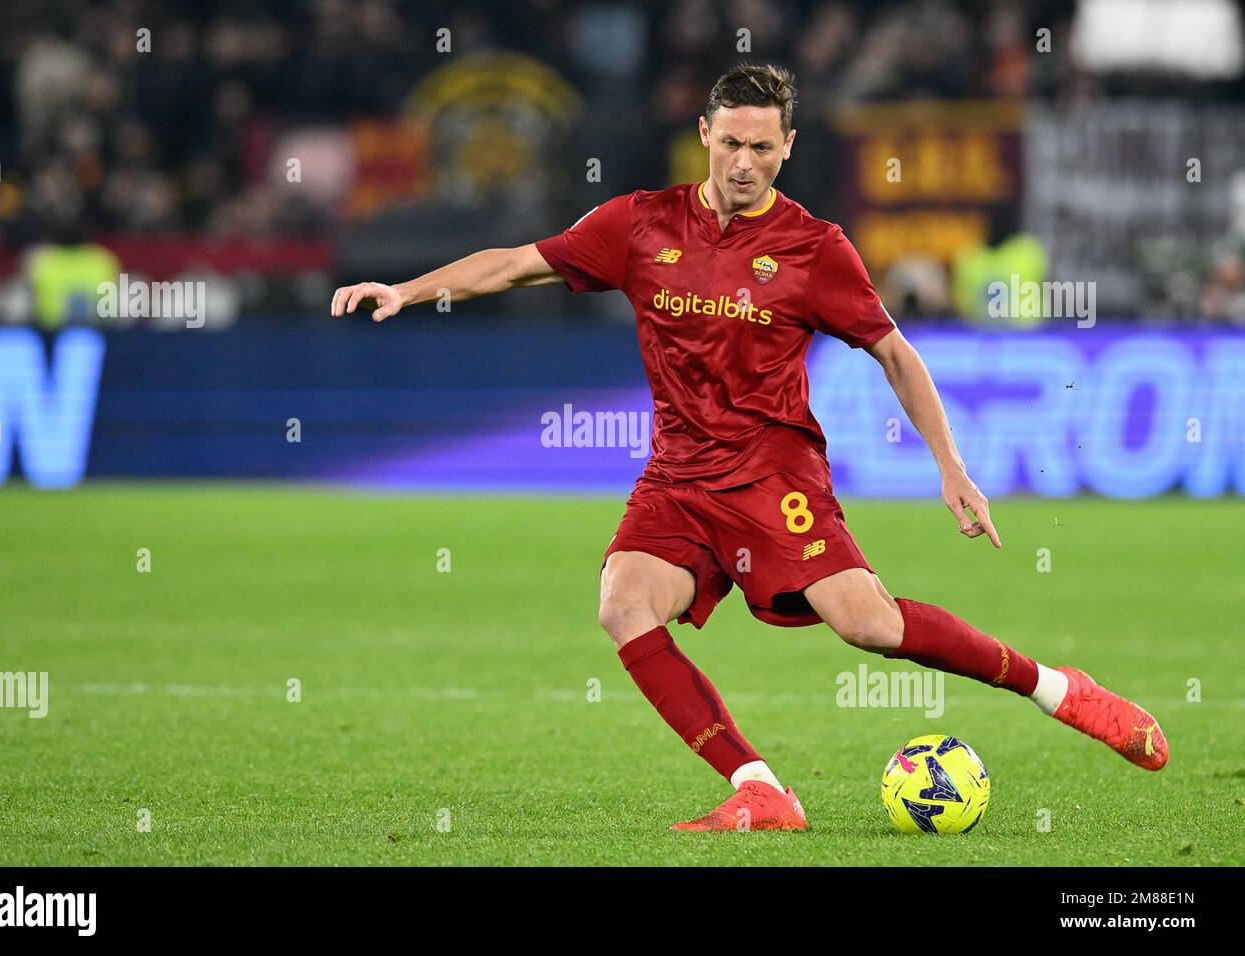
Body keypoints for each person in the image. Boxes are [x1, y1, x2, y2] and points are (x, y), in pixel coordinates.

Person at [330, 63, 1167, 832]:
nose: (743, 163)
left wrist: (949, 465)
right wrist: (405, 289)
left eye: (762, 147)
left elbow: (894, 353)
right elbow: (514, 265)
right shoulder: (639, 224)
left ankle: (1061, 691)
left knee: (869, 627)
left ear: (788, 147)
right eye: (730, 142)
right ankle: (760, 788)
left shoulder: (815, 248)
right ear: (704, 134)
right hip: (677, 475)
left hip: (774, 471)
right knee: (623, 603)